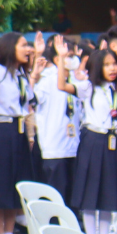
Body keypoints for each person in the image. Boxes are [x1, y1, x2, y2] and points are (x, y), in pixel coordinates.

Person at [0, 30, 40, 234]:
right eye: (23, 45)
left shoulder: (20, 73)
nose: (28, 49)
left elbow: (27, 103)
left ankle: (9, 233)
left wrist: (30, 136)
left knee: (17, 181)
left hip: (19, 130)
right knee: (0, 181)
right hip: (2, 129)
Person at [72, 47, 117, 234]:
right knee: (91, 192)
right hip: (93, 139)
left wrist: (116, 132)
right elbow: (63, 86)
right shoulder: (89, 87)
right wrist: (61, 59)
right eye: (107, 64)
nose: (112, 68)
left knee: (109, 193)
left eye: (115, 64)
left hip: (113, 141)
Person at [33, 35, 81, 195]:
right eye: (69, 56)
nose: (73, 60)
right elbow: (31, 99)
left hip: (73, 147)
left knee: (72, 196)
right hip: (54, 148)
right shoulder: (47, 80)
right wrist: (35, 74)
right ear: (56, 58)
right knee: (56, 195)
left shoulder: (77, 81)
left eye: (74, 56)